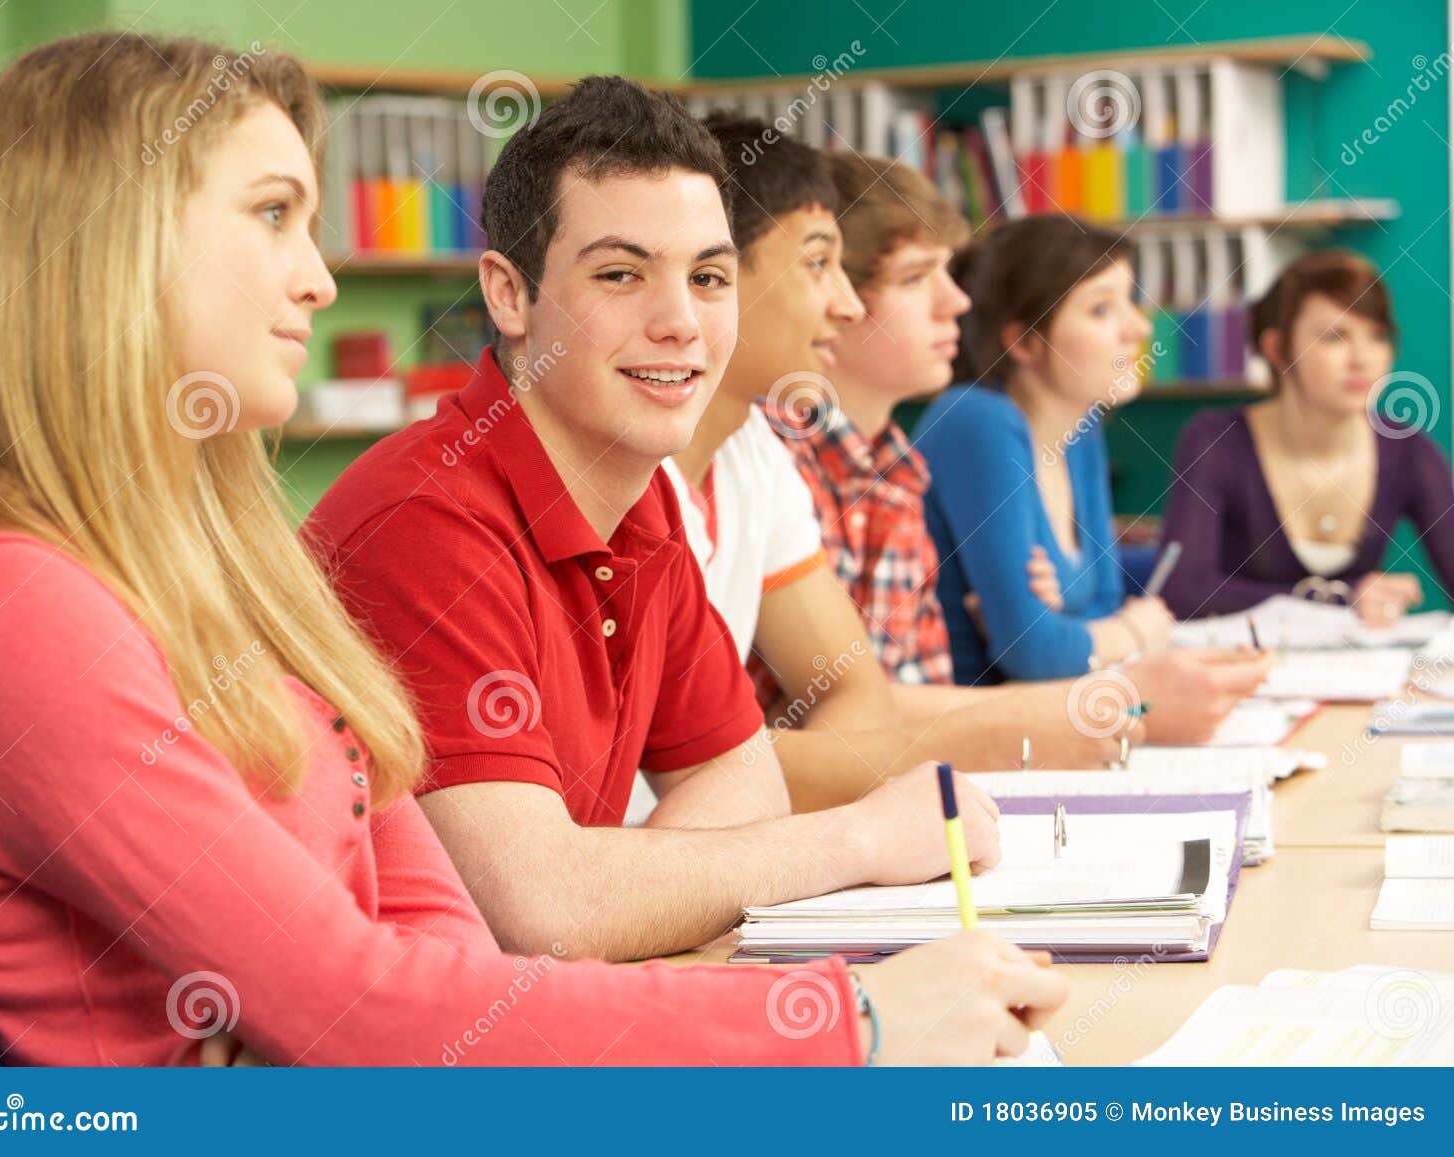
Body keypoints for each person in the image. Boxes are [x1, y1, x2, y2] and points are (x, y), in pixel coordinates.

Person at [0, 33, 1063, 1067]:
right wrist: (842, 1017)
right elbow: (350, 1002)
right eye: (273, 214)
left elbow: (442, 955)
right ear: (97, 244)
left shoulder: (234, 576)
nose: (321, 278)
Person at [304, 77, 1006, 965]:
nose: (680, 322)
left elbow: (740, 780)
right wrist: (860, 837)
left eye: (708, 276)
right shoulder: (425, 521)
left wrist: (627, 889)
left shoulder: (643, 499)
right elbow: (544, 911)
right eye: (621, 274)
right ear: (510, 295)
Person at [741, 149, 1267, 773]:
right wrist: (1118, 687)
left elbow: (1076, 617)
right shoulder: (963, 423)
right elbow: (1026, 653)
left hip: (938, 784)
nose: (955, 303)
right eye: (915, 279)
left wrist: (1094, 651)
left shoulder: (896, 462)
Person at [918, 215, 1175, 684]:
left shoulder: (1081, 427)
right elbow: (1032, 654)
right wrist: (1136, 630)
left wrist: (1069, 632)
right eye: (1102, 310)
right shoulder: (976, 421)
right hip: (963, 730)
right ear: (1023, 341)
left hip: (1042, 722)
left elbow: (1101, 605)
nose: (1137, 328)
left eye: (1131, 302)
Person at [1159, 249, 1454, 623]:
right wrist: (1341, 599)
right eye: (1335, 337)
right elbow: (1182, 592)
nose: (1362, 358)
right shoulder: (1215, 441)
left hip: (1362, 676)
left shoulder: (1408, 449)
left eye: (1377, 335)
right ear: (1277, 349)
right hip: (1238, 668)